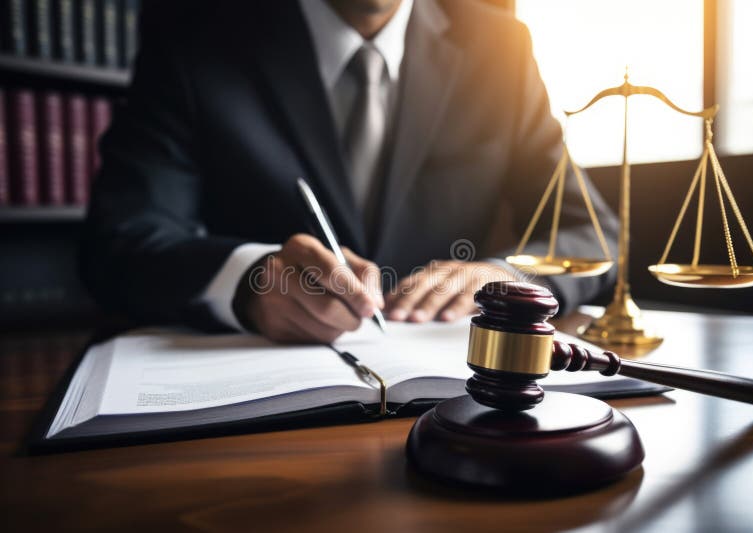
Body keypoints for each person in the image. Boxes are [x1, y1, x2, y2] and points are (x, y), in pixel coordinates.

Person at [80, 0, 618, 343]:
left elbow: (593, 236)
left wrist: (510, 278)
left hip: (446, 401)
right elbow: (119, 243)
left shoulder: (500, 48)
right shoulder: (193, 34)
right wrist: (247, 281)